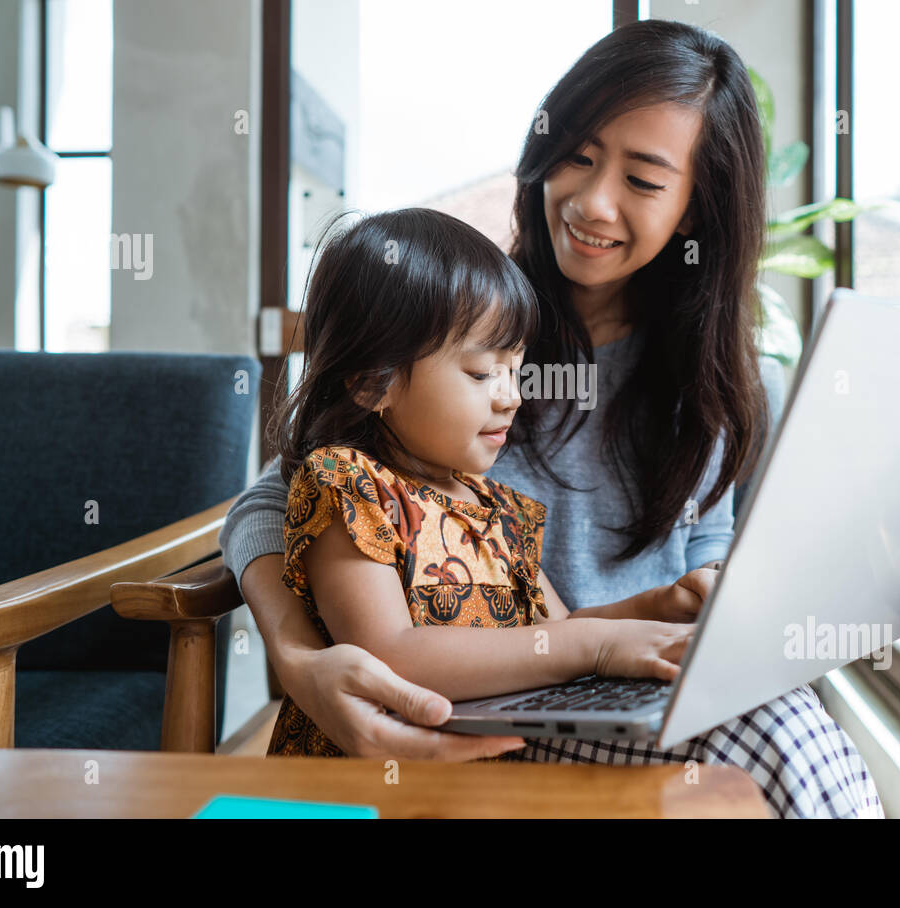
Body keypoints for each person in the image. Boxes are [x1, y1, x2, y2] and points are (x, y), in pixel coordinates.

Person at [221, 18, 883, 817]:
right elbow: (288, 488)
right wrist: (295, 655)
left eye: (642, 181)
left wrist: (678, 606)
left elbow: (656, 578)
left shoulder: (709, 384)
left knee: (780, 734)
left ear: (697, 209)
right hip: (491, 712)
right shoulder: (461, 321)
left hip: (615, 691)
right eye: (577, 154)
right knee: (778, 741)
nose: (592, 201)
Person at [263, 206, 696, 756]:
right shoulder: (350, 488)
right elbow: (389, 653)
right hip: (368, 784)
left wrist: (659, 605)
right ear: (374, 383)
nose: (510, 395)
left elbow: (561, 625)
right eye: (480, 372)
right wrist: (593, 645)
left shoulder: (497, 508)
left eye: (516, 370)